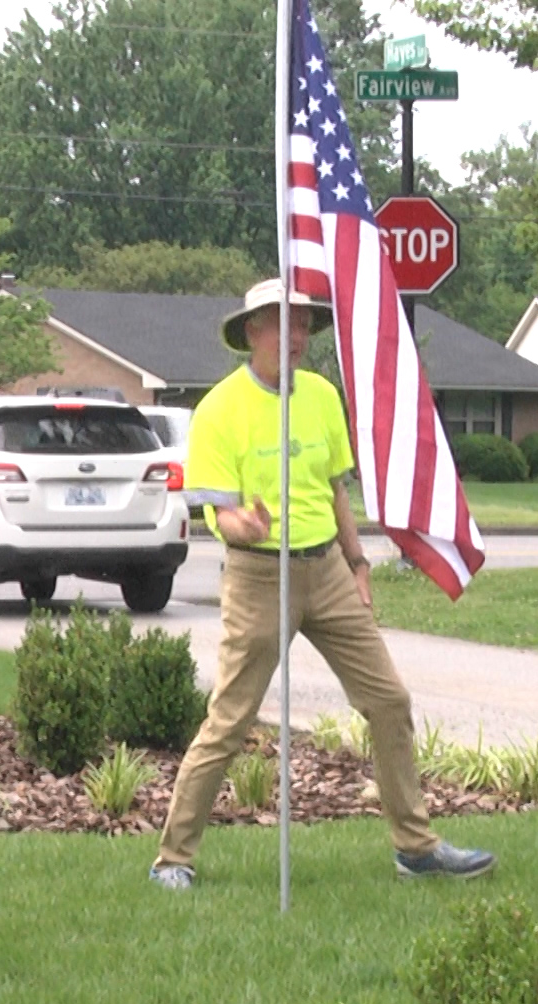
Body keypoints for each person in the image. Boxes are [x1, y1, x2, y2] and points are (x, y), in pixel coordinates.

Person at [149, 279, 497, 889]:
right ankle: (174, 859)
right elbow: (220, 514)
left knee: (388, 701)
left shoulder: (321, 395)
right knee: (229, 720)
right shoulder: (219, 410)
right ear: (253, 331)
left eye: (305, 325)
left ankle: (416, 849)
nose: (298, 336)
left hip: (329, 570)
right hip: (259, 575)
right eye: (285, 324)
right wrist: (246, 526)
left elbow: (335, 488)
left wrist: (358, 563)